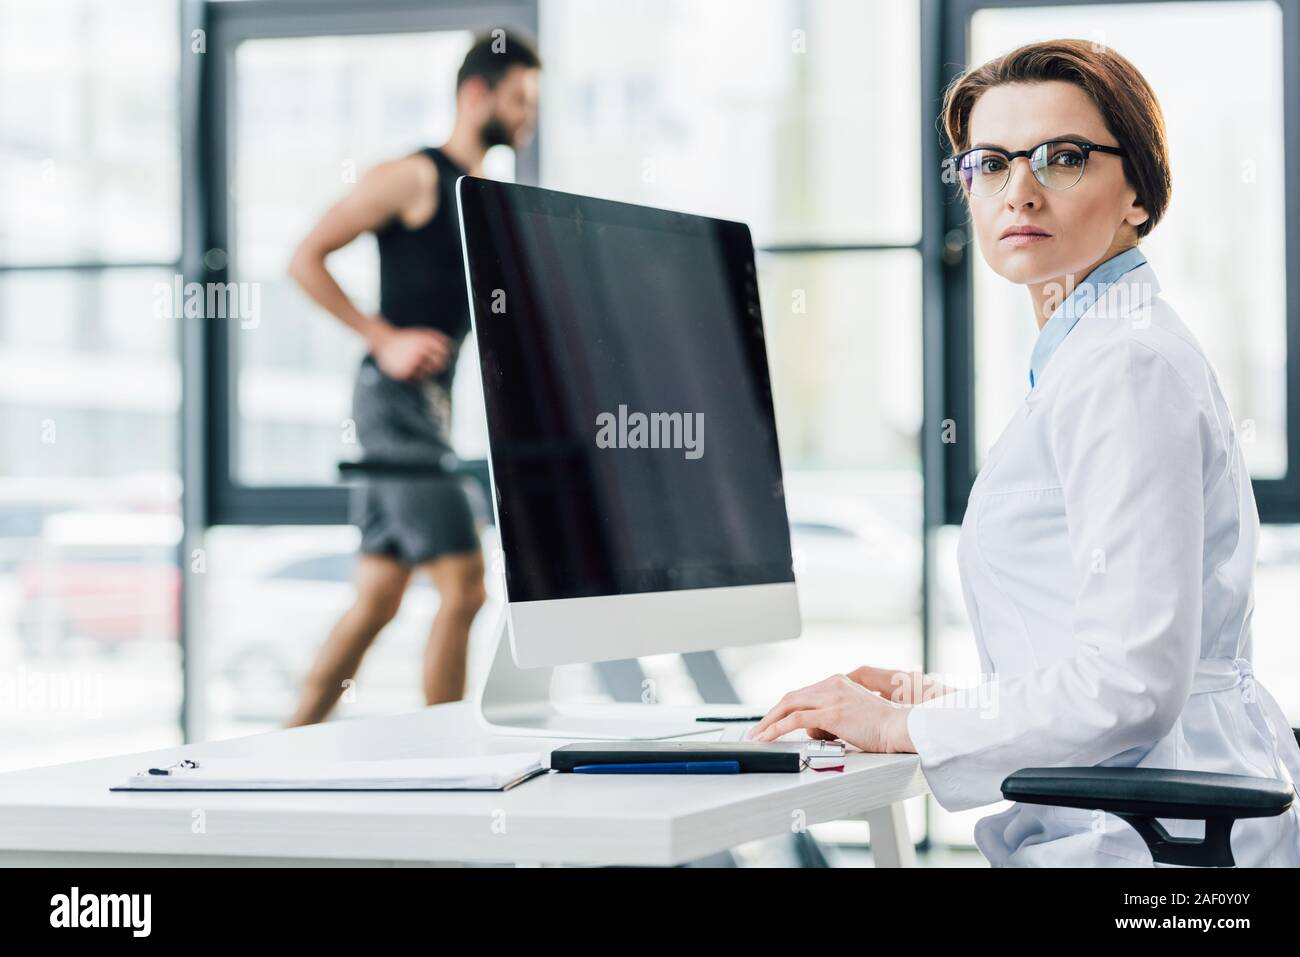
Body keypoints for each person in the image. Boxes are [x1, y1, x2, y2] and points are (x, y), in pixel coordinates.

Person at [750, 39, 1300, 866]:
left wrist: (906, 726)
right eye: (990, 163)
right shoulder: (1092, 355)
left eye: (1063, 157)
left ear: (1139, 196)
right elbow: (1101, 661)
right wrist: (941, 701)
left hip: (1148, 845)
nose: (1021, 191)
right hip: (1140, 808)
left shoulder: (1125, 365)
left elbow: (1132, 685)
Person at [284, 33, 541, 726]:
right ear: (476, 94)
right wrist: (383, 336)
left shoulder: (480, 197)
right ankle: (452, 761)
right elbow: (306, 257)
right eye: (519, 98)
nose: (528, 115)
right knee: (465, 586)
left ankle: (280, 744)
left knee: (378, 598)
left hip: (426, 407)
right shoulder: (416, 176)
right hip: (389, 404)